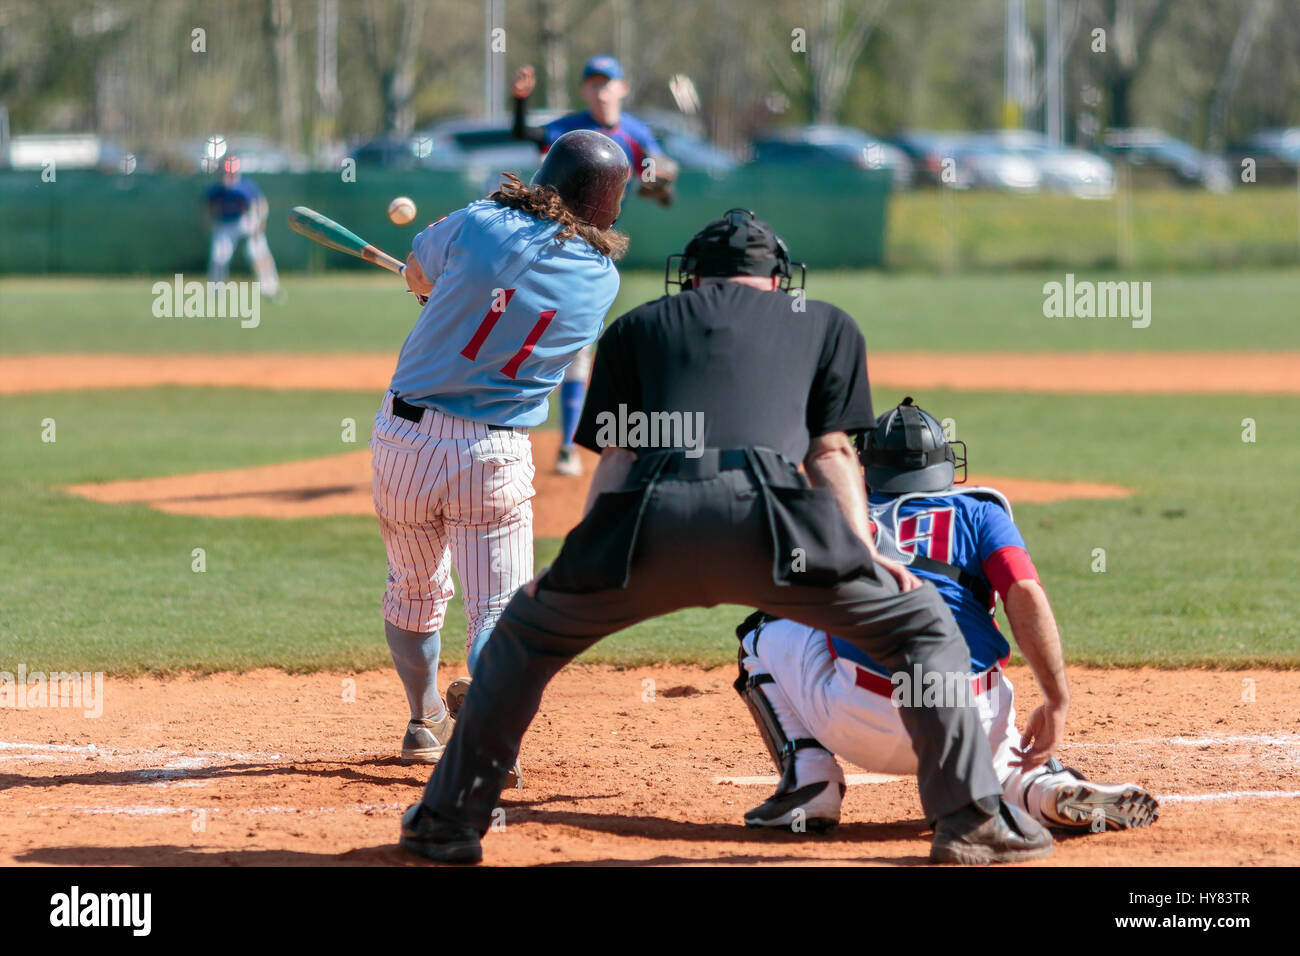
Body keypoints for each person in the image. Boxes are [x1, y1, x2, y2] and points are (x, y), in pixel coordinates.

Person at [400, 209, 1054, 866]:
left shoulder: (635, 327)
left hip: (649, 523)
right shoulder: (826, 323)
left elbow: (619, 462)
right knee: (920, 628)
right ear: (778, 277)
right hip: (775, 522)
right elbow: (830, 455)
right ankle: (969, 822)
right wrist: (868, 550)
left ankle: (446, 824)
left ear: (691, 278)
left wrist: (576, 561)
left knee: (523, 638)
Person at [733, 398, 1158, 834]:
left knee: (761, 629)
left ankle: (810, 782)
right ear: (946, 464)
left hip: (861, 720)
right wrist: (1056, 701)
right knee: (1005, 759)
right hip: (969, 718)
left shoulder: (838, 520)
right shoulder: (981, 513)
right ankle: (1044, 789)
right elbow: (1025, 591)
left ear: (866, 468)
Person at [371, 130, 629, 779]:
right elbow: (514, 321)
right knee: (498, 611)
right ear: (605, 204)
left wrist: (432, 290)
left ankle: (424, 719)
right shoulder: (601, 279)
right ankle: (491, 744)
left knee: (414, 590)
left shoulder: (481, 221)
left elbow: (420, 270)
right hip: (493, 451)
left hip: (405, 438)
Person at [510, 54, 679, 477]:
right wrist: (519, 102)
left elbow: (658, 179)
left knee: (578, 347)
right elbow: (526, 134)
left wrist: (661, 184)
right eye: (594, 83)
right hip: (546, 238)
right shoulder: (572, 128)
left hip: (589, 247)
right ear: (585, 90)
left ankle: (566, 445)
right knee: (534, 334)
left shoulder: (636, 132)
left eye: (609, 83)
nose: (602, 90)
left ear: (622, 88)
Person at [203, 156, 281, 300]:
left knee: (258, 252)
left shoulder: (245, 185)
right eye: (225, 172)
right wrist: (209, 221)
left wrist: (260, 224)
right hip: (226, 224)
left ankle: (270, 287)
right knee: (219, 256)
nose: (228, 175)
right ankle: (215, 291)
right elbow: (208, 205)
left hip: (246, 221)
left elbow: (261, 205)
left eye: (230, 172)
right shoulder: (217, 188)